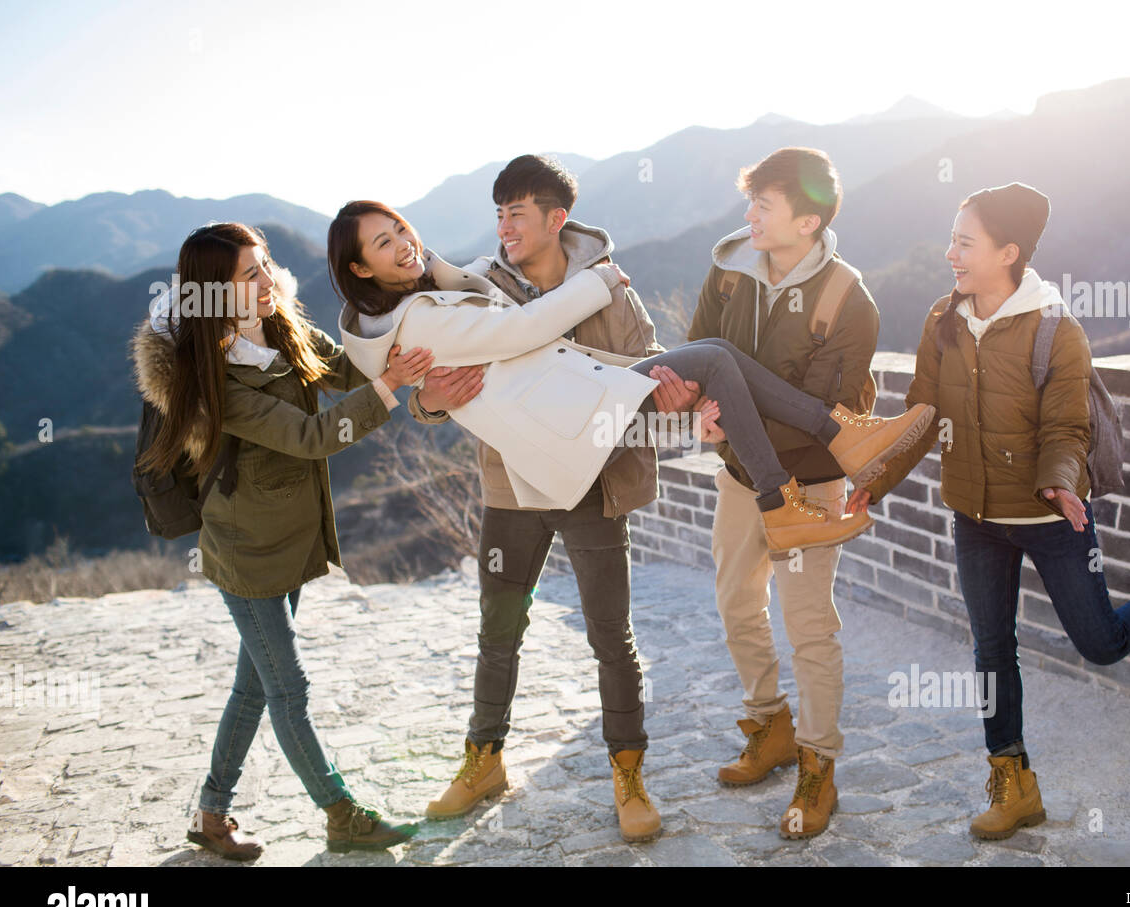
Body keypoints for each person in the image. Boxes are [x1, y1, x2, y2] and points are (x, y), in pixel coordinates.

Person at [327, 189, 933, 840]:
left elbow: (620, 364)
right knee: (498, 632)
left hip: (590, 466)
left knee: (612, 637)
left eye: (517, 215)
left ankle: (629, 774)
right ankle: (483, 760)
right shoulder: (482, 281)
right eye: (497, 213)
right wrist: (430, 398)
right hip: (513, 484)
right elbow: (466, 366)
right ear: (362, 268)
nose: (502, 227)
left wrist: (672, 409)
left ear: (556, 220)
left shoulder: (571, 290)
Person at [851, 182, 1130, 840]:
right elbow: (921, 416)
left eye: (965, 242)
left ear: (1009, 252)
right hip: (975, 518)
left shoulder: (1057, 333)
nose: (950, 253)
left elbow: (1067, 431)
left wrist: (1058, 483)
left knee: (1101, 643)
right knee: (992, 648)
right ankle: (1013, 780)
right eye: (952, 238)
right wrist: (874, 480)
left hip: (1054, 521)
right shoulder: (944, 319)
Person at [132, 222, 428, 859]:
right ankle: (340, 812)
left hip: (290, 535)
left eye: (266, 264)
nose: (268, 280)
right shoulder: (212, 376)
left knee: (254, 686)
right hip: (246, 552)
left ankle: (211, 815)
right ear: (216, 290)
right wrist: (389, 390)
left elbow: (337, 368)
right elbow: (309, 436)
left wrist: (400, 360)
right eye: (249, 274)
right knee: (288, 689)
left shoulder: (278, 322)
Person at [686, 147, 881, 840]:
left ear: (807, 220)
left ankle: (818, 765)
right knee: (736, 600)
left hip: (813, 484)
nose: (750, 217)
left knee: (808, 626)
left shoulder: (848, 300)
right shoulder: (729, 272)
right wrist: (699, 410)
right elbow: (693, 357)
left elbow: (828, 408)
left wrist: (725, 402)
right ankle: (768, 727)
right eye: (751, 202)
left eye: (764, 206)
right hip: (740, 474)